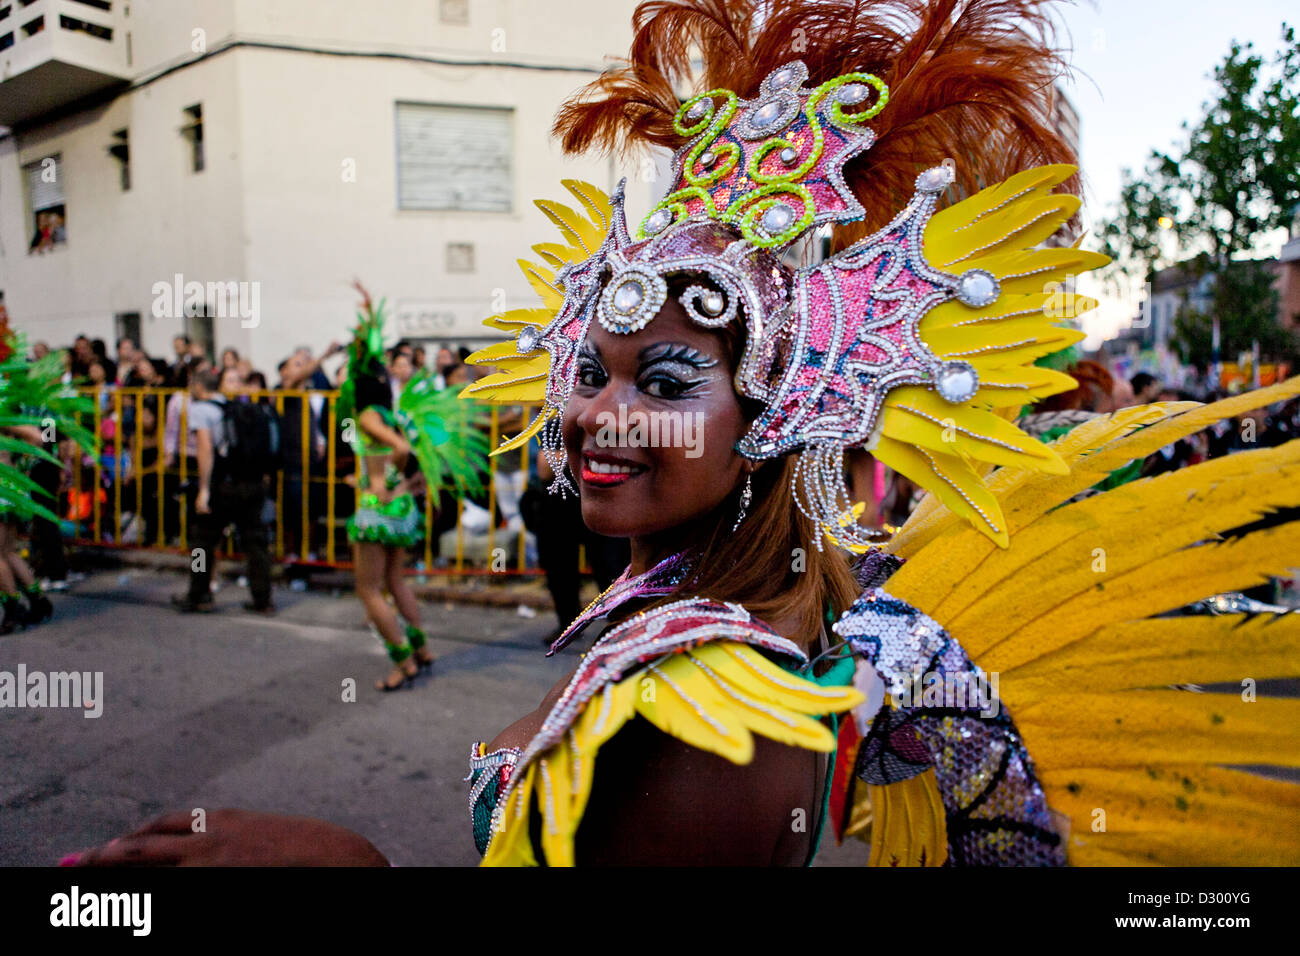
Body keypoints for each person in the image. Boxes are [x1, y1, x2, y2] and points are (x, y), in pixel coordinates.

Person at [68, 0, 1300, 869]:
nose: (596, 415)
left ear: (780, 413)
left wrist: (353, 864)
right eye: (588, 373)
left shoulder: (708, 700)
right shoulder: (798, 609)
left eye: (661, 376)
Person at [337, 285, 488, 691]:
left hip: (377, 510)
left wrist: (384, 483)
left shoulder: (369, 415)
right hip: (402, 508)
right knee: (396, 581)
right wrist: (405, 483)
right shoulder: (392, 412)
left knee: (368, 591)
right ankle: (421, 649)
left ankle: (402, 662)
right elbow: (413, 452)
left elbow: (402, 450)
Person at [170, 368, 273, 614]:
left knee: (201, 543)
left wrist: (203, 489)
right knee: (255, 544)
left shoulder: (201, 409)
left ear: (197, 386)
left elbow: (205, 449)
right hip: (253, 483)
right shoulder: (234, 407)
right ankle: (262, 600)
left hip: (223, 486)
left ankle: (198, 594)